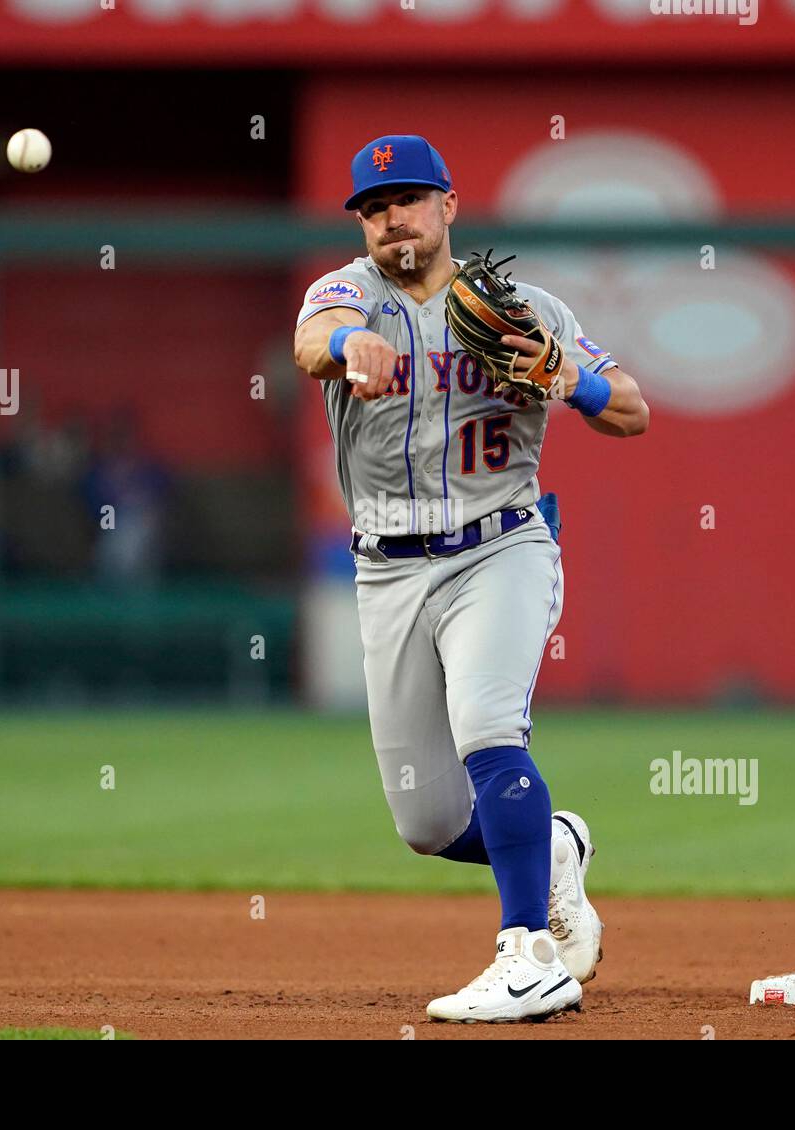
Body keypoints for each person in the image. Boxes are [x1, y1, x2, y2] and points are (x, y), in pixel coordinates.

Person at [293, 135, 649, 1022]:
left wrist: (568, 379)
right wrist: (349, 346)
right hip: (388, 572)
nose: (392, 220)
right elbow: (310, 341)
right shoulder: (346, 295)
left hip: (501, 549)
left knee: (491, 729)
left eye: (408, 200)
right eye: (375, 209)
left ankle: (527, 954)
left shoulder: (526, 308)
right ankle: (554, 847)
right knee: (426, 824)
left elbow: (635, 410)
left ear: (449, 206)